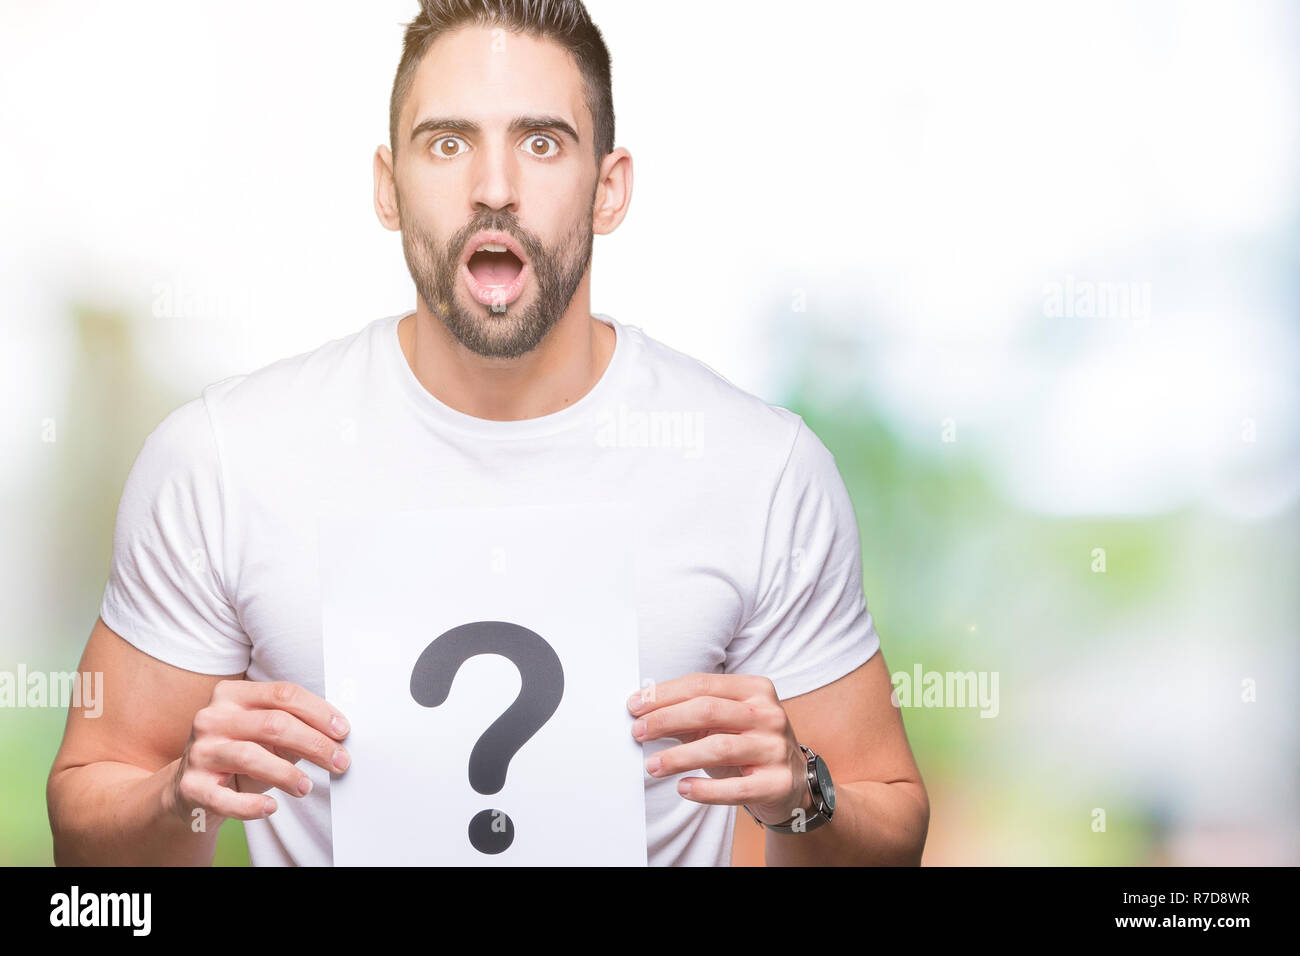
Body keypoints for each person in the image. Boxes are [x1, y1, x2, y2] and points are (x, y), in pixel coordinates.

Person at [47, 0, 928, 867]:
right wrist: (177, 794)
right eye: (448, 142)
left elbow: (890, 823)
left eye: (541, 142)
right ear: (389, 189)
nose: (495, 188)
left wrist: (802, 791)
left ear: (609, 189)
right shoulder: (224, 459)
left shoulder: (760, 470)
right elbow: (88, 844)